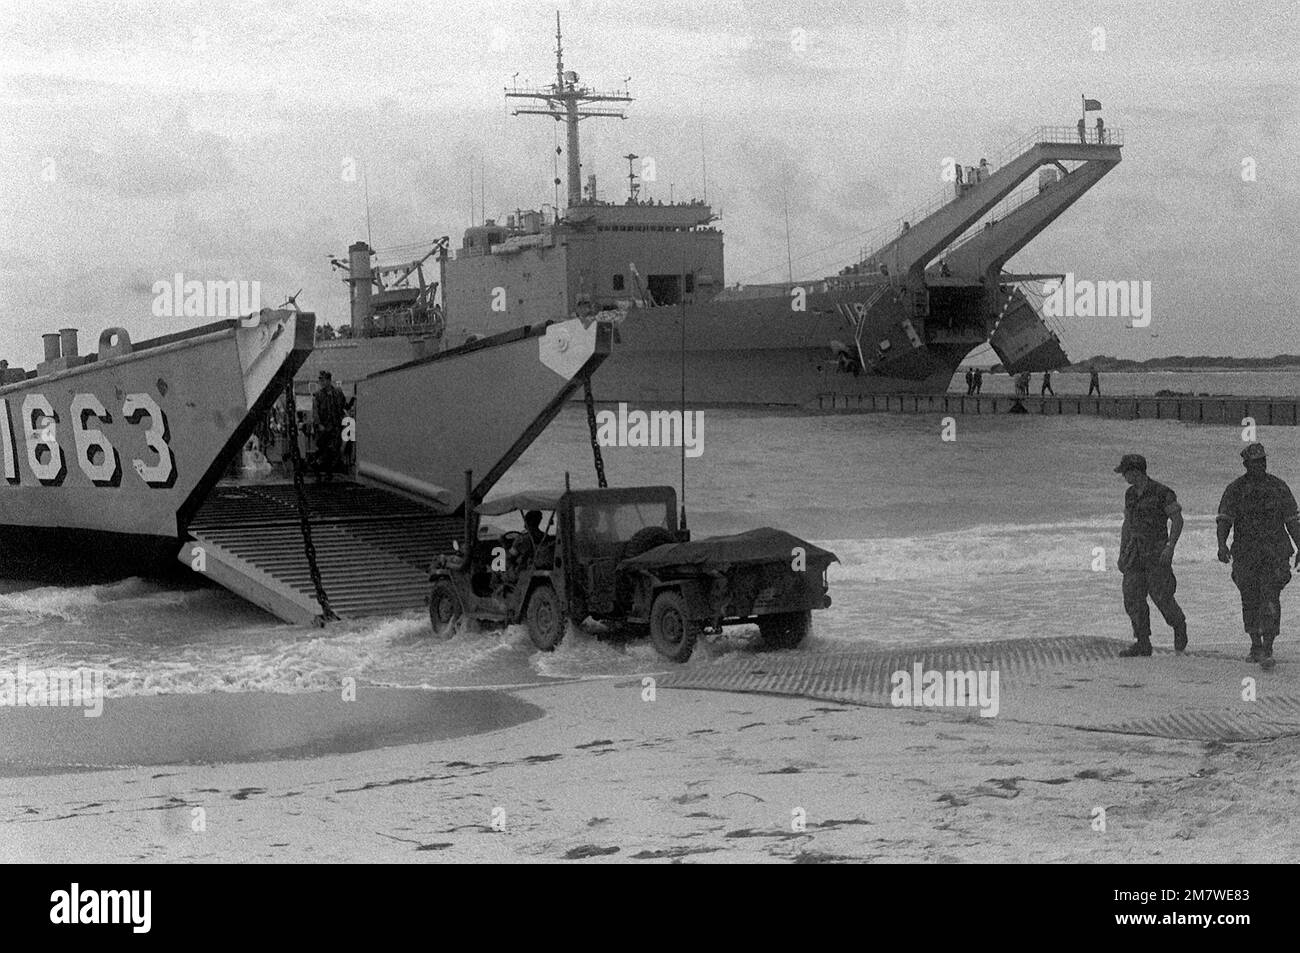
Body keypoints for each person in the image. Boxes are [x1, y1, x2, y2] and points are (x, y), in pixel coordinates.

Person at [1216, 443, 1300, 669]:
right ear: (1246, 465)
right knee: (1250, 598)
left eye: (1263, 461)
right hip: (1246, 553)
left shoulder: (1278, 487)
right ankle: (1255, 644)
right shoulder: (1235, 489)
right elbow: (1224, 519)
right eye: (1255, 462)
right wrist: (1221, 545)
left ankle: (1268, 646)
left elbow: (1292, 520)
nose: (1260, 465)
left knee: (1270, 596)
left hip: (1275, 553)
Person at [1116, 453, 1188, 656]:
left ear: (1136, 471)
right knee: (1132, 596)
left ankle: (1179, 625)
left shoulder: (1162, 492)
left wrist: (1170, 546)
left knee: (1161, 596)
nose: (1124, 477)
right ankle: (1142, 641)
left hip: (1156, 553)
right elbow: (1127, 524)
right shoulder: (1130, 494)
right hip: (1134, 553)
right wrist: (1122, 552)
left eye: (1126, 472)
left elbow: (1177, 520)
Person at [311, 370, 346, 479]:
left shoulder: (338, 393)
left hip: (335, 426)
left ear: (329, 380)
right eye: (320, 380)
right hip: (324, 427)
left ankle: (325, 469)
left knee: (334, 449)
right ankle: (318, 467)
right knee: (323, 448)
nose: (321, 382)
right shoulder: (318, 395)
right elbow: (315, 411)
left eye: (323, 379)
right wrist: (319, 424)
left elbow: (343, 405)